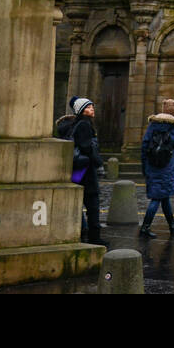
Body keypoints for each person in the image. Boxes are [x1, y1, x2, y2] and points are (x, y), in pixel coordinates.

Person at [139, 98, 174, 237]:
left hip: (151, 165)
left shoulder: (152, 125)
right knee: (157, 198)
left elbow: (144, 146)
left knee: (163, 195)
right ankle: (145, 227)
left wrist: (144, 166)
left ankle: (172, 223)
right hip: (167, 167)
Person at [70, 97, 104, 245]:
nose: (92, 109)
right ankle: (94, 238)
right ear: (82, 111)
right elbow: (87, 147)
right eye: (89, 107)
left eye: (92, 106)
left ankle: (90, 234)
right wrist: (98, 163)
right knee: (92, 204)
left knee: (85, 202)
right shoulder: (84, 124)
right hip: (86, 170)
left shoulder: (82, 123)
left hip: (83, 170)